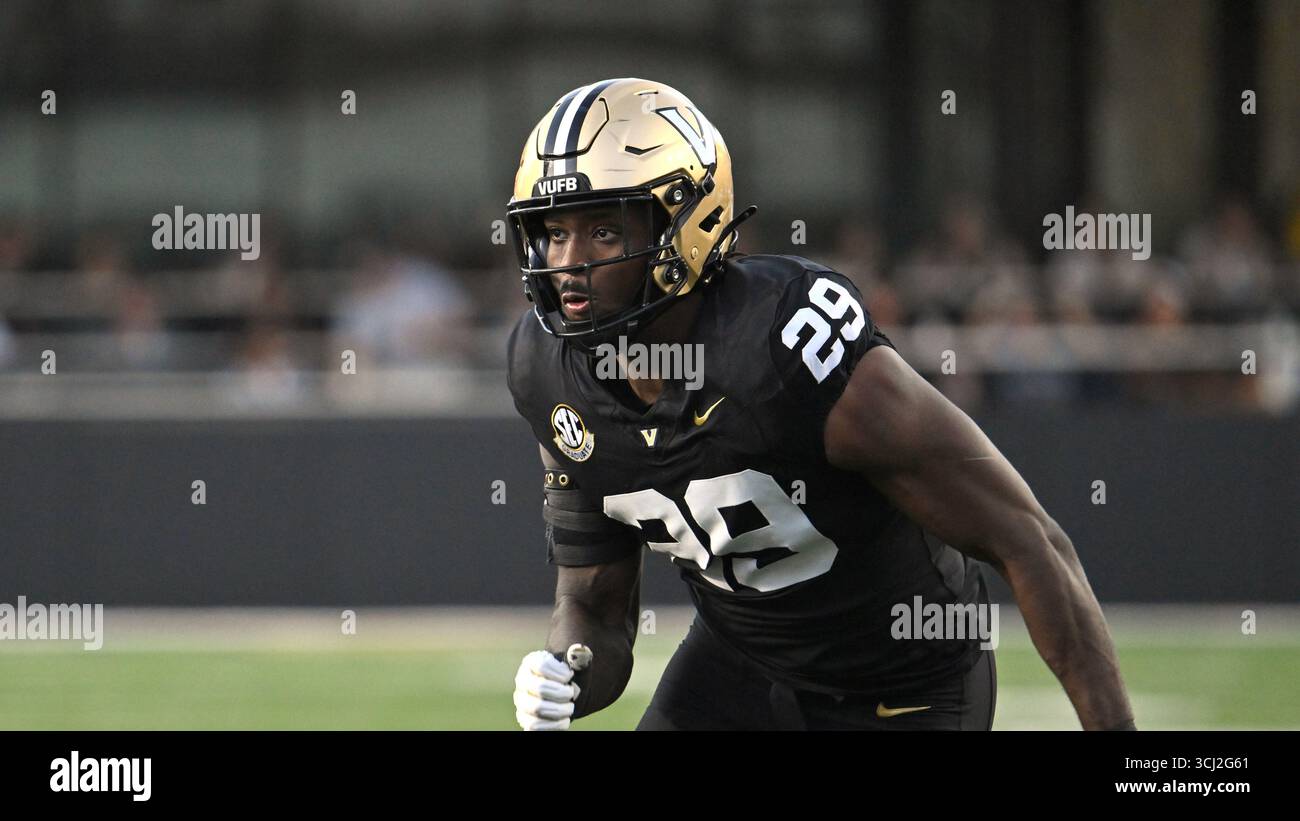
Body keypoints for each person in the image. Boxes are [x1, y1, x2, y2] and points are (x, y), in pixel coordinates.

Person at [505, 78, 1134, 731]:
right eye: (552, 233)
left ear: (684, 225)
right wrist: (567, 670)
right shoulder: (547, 371)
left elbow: (1027, 540)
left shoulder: (782, 348)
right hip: (740, 667)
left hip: (902, 684)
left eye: (603, 230)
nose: (568, 264)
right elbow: (598, 613)